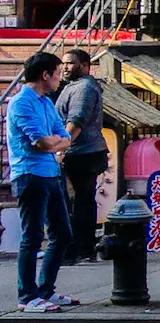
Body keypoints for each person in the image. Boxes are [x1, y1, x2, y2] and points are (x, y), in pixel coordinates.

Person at [9, 51, 74, 312]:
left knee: (62, 233)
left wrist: (55, 144)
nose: (61, 78)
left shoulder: (46, 102)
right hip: (30, 174)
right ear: (45, 75)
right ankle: (27, 296)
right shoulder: (21, 103)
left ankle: (45, 290)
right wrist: (55, 144)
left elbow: (65, 138)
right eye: (58, 73)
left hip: (50, 173)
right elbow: (43, 142)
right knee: (32, 236)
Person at [55, 49, 107, 267]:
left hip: (82, 152)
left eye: (70, 63)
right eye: (64, 64)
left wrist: (62, 149)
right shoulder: (74, 86)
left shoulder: (84, 88)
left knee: (78, 203)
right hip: (82, 151)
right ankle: (81, 247)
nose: (66, 67)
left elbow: (76, 121)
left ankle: (80, 247)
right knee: (80, 201)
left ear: (85, 65)